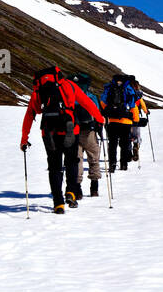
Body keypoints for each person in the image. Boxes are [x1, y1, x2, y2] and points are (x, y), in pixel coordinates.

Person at [20, 66, 105, 214]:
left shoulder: (39, 90)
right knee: (72, 161)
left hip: (48, 132)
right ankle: (71, 192)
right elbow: (86, 103)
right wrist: (99, 119)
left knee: (54, 167)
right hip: (70, 129)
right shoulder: (68, 85)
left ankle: (58, 203)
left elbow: (31, 113)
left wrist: (24, 138)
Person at [69, 72, 103, 197]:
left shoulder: (69, 95)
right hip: (89, 132)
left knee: (77, 160)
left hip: (73, 131)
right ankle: (94, 188)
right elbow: (98, 113)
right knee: (93, 158)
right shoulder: (91, 97)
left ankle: (77, 189)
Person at [100, 73, 137, 172]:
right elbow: (133, 105)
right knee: (124, 143)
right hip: (126, 121)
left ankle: (112, 164)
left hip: (112, 121)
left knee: (112, 143)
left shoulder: (109, 87)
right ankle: (123, 164)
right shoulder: (128, 88)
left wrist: (107, 112)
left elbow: (103, 102)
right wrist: (135, 119)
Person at [128, 76, 149, 162]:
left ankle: (128, 153)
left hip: (127, 116)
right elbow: (142, 103)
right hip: (137, 116)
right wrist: (146, 111)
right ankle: (136, 145)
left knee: (127, 134)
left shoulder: (126, 92)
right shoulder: (138, 94)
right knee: (137, 134)